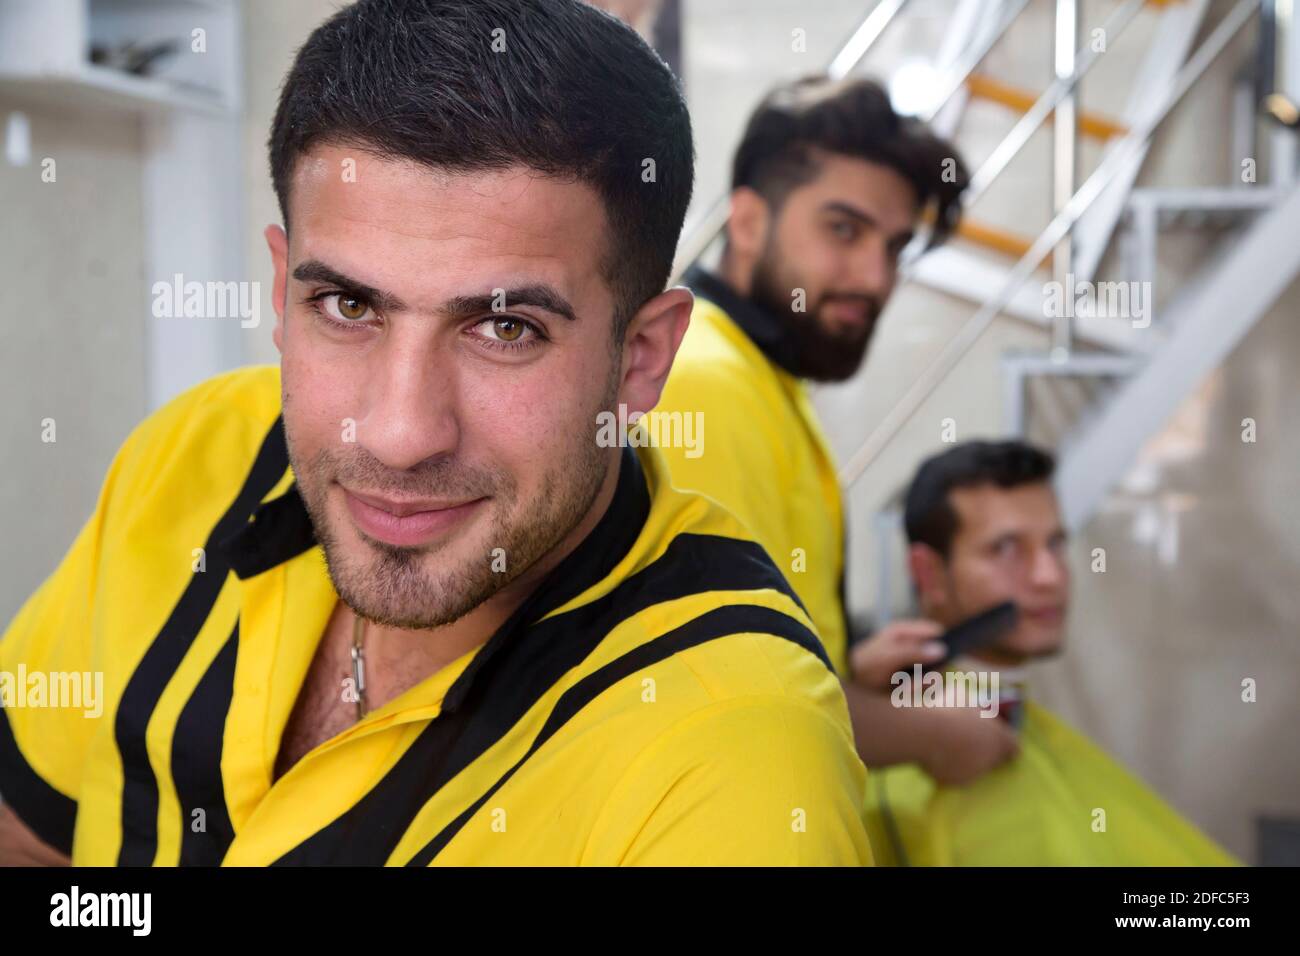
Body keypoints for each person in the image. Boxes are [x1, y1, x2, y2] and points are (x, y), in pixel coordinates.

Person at [0, 0, 871, 866]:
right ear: (280, 292)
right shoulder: (199, 453)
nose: (400, 434)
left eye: (505, 329)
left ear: (641, 358)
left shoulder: (733, 761)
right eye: (347, 306)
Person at [653, 75, 1013, 781]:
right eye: (843, 230)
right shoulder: (704, 382)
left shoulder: (755, 373)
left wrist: (846, 666)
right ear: (750, 221)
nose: (875, 278)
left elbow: (755, 650)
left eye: (895, 246)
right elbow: (732, 700)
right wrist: (936, 736)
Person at [860, 440, 1237, 865]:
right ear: (928, 573)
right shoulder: (913, 754)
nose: (1050, 576)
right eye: (1005, 549)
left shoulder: (1003, 707)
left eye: (1055, 544)